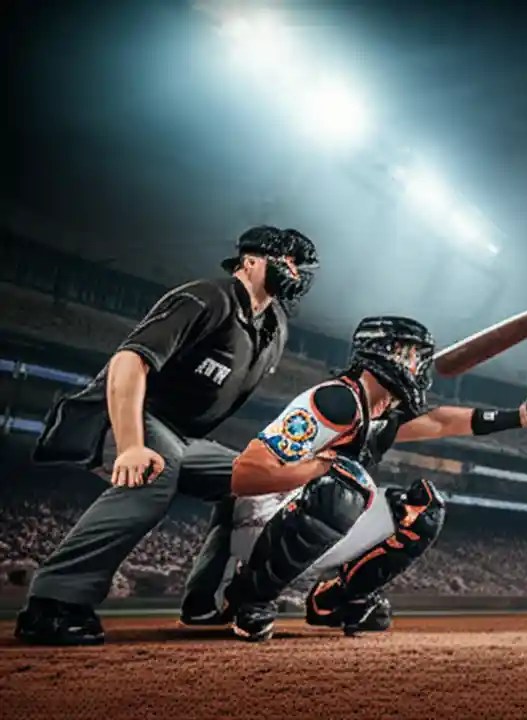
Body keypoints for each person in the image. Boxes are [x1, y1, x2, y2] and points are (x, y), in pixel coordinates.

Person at [15, 226, 319, 646]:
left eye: (297, 264)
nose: (293, 270)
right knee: (155, 470)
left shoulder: (275, 328)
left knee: (251, 480)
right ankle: (52, 604)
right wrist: (131, 444)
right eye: (283, 259)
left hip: (182, 436)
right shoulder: (207, 298)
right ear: (249, 262)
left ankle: (204, 602)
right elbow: (127, 362)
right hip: (129, 413)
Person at [186, 315, 527, 641]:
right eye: (411, 354)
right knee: (350, 481)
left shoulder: (379, 413)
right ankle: (250, 598)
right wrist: (319, 468)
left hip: (312, 515)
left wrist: (522, 416)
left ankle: (335, 600)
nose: (419, 366)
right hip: (256, 525)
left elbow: (442, 421)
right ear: (382, 352)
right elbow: (246, 475)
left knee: (422, 509)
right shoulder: (334, 401)